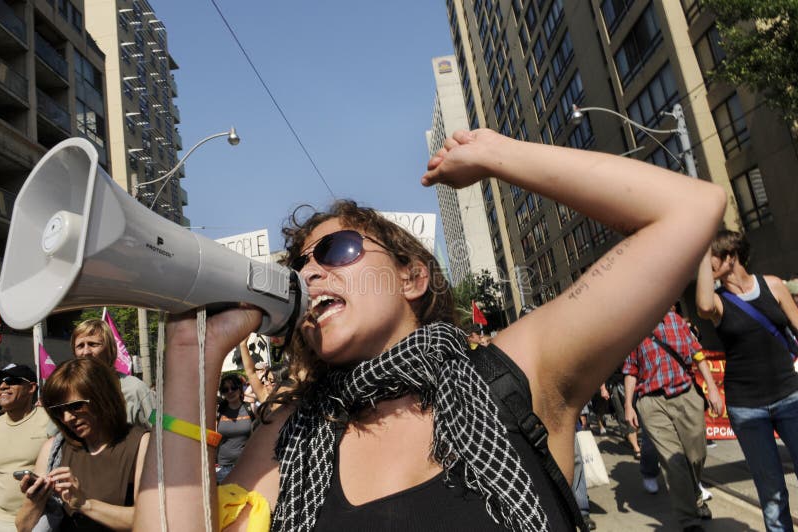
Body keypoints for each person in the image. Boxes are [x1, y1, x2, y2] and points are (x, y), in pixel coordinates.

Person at [135, 128, 726, 530]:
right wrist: (190, 350)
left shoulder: (514, 374)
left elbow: (690, 208)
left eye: (336, 250)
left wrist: (496, 154)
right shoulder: (289, 433)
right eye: (299, 266)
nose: (310, 272)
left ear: (412, 276)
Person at [696, 230, 798, 531]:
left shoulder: (773, 285)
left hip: (791, 397)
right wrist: (702, 255)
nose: (707, 263)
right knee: (772, 492)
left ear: (730, 257)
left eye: (711, 257)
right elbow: (703, 306)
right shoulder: (718, 301)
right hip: (748, 408)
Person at [15, 357, 149, 531]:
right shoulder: (53, 448)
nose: (67, 418)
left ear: (103, 397)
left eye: (76, 406)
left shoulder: (140, 443)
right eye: (58, 410)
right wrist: (35, 500)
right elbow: (23, 526)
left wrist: (85, 504)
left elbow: (148, 520)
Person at [623, 308, 723, 531]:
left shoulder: (676, 321)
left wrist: (712, 388)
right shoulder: (635, 327)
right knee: (674, 463)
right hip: (652, 402)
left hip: (686, 395)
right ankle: (689, 520)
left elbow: (697, 353)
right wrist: (629, 405)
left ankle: (695, 496)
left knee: (697, 455)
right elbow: (630, 369)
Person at [0, 365, 57, 531]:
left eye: (12, 380)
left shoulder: (51, 422)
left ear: (31, 388)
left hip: (38, 519)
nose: (3, 386)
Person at [71, 319, 155, 427]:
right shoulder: (69, 390)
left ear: (110, 349)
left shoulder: (135, 389)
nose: (86, 352)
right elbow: (54, 434)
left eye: (93, 344)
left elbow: (167, 427)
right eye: (80, 346)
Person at [216, 374, 254, 483]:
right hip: (223, 466)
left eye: (233, 388)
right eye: (225, 389)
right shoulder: (218, 411)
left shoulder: (250, 408)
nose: (230, 392)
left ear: (240, 388)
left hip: (246, 464)